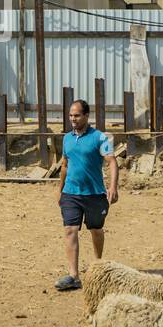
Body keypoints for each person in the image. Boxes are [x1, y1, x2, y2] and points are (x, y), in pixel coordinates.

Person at [54, 98, 118, 291]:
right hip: (71, 193)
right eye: (71, 115)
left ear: (86, 116)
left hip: (95, 194)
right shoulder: (66, 138)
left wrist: (113, 187)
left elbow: (112, 162)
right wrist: (60, 189)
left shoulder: (100, 138)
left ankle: (98, 268)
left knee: (96, 230)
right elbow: (64, 166)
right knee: (70, 230)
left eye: (77, 115)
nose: (73, 119)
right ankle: (73, 276)